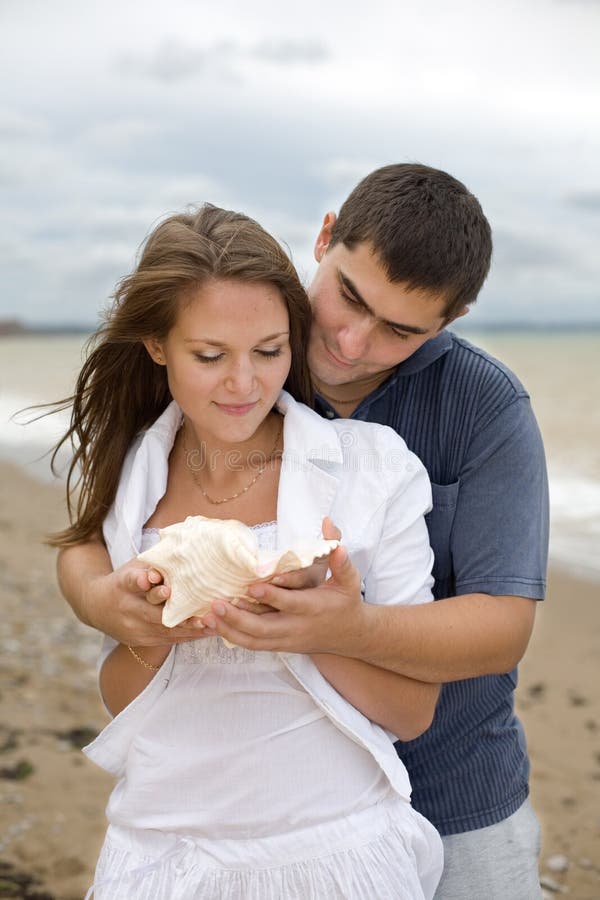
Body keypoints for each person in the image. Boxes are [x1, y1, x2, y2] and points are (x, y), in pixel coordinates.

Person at [57, 165, 549, 899]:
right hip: (198, 814)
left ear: (450, 321)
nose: (351, 343)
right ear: (324, 238)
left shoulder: (481, 407)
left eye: (399, 330)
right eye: (348, 296)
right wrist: (106, 602)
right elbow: (90, 532)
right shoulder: (243, 345)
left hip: (449, 786)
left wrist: (336, 628)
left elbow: (503, 627)